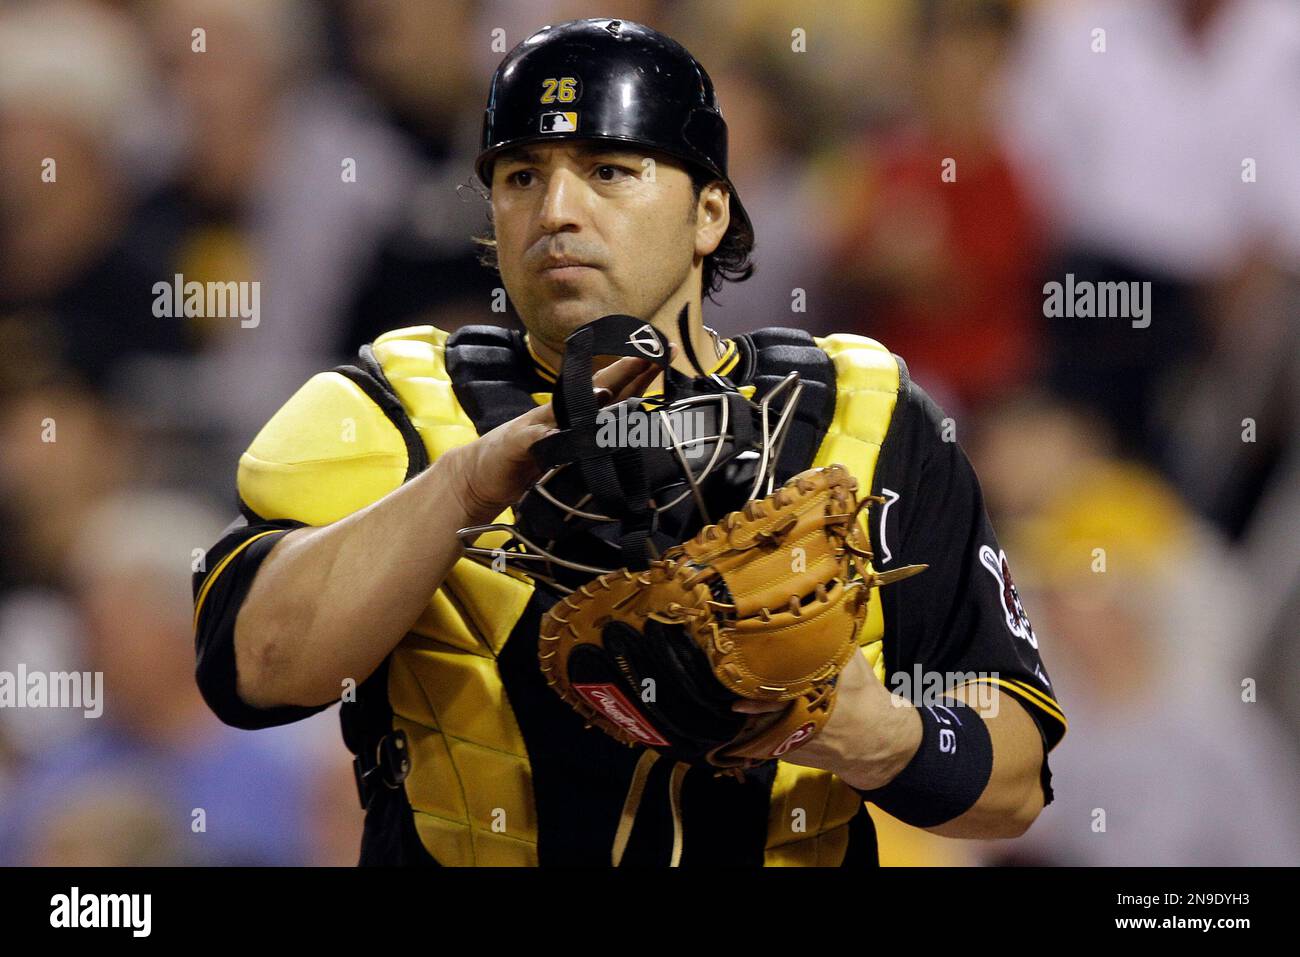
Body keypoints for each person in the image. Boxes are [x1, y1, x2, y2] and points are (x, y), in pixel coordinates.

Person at [192, 18, 1067, 866]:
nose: (556, 211)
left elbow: (1017, 781)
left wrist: (874, 736)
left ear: (710, 212)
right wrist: (461, 490)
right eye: (521, 177)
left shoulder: (865, 415)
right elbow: (255, 667)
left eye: (609, 170)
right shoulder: (392, 407)